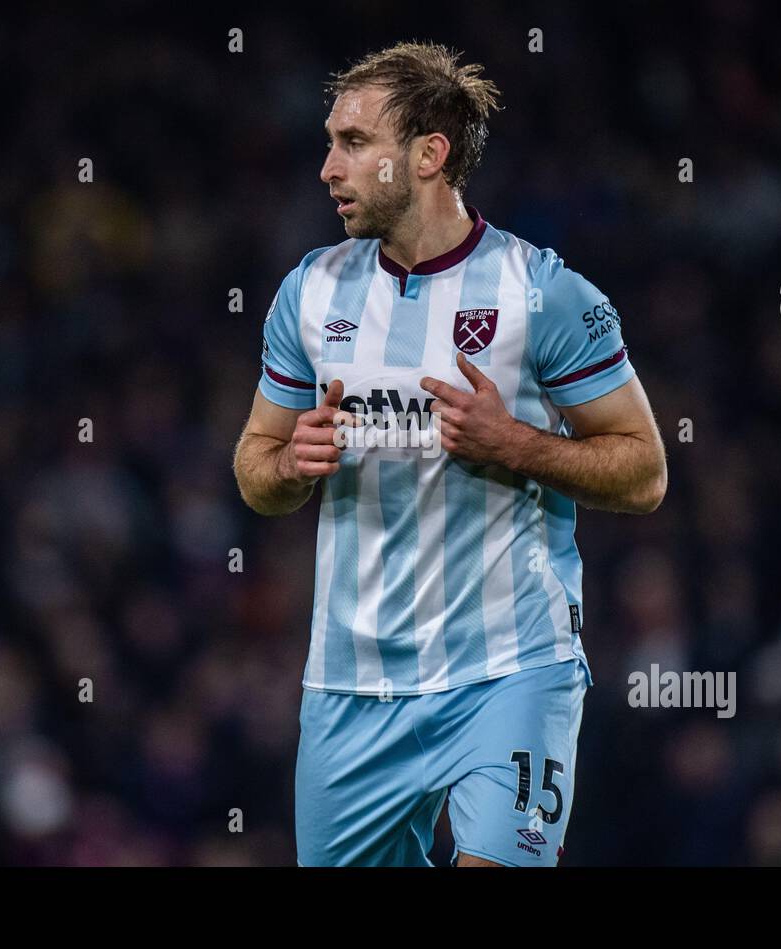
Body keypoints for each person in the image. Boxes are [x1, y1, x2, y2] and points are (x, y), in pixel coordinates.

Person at [232, 41, 666, 866]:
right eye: (330, 141)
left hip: (509, 668)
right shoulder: (310, 291)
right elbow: (256, 467)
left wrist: (519, 444)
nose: (328, 167)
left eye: (355, 143)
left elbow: (645, 473)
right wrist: (289, 467)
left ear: (429, 155)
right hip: (350, 686)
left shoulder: (542, 294)